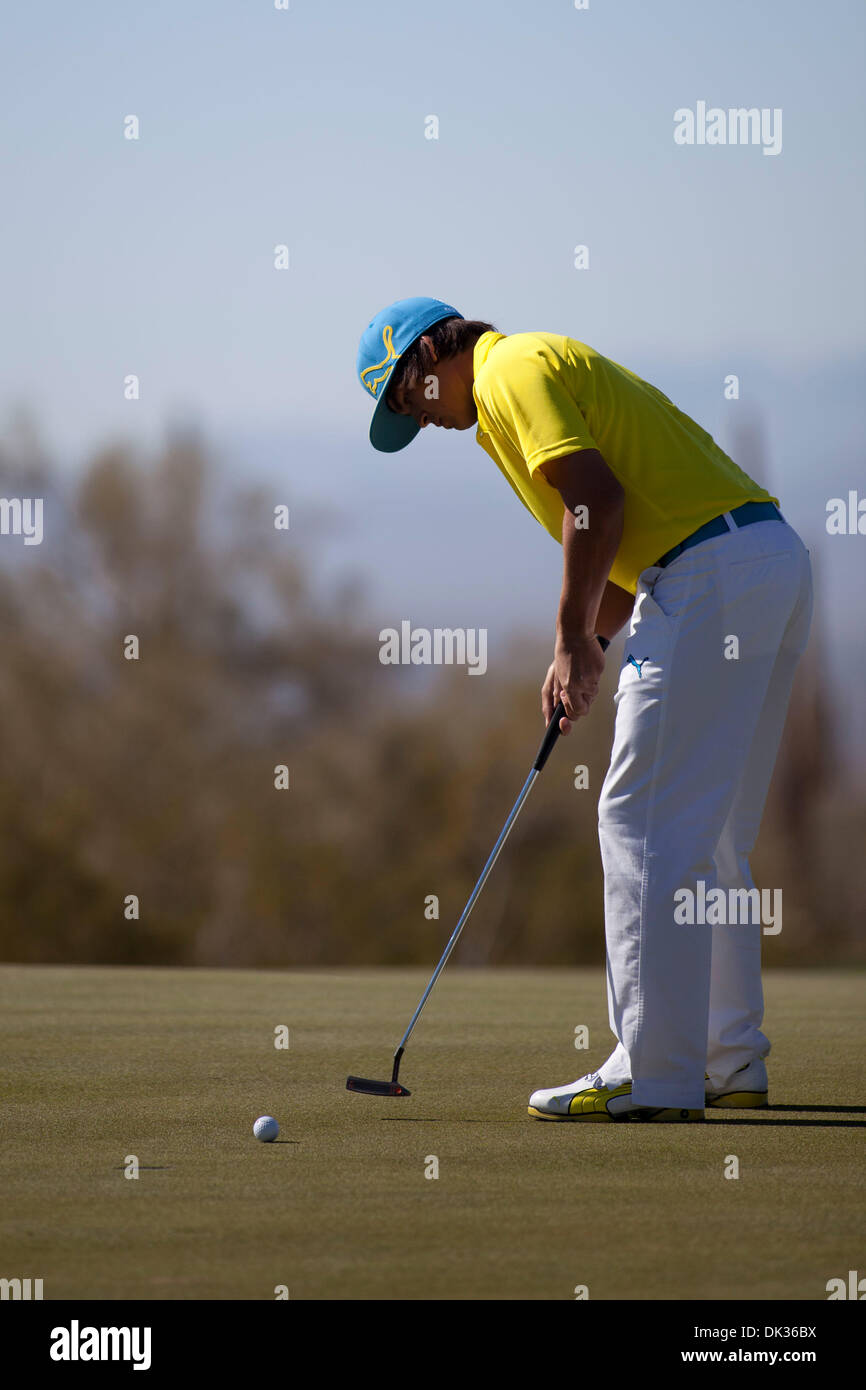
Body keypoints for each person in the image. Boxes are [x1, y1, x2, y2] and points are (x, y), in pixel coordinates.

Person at [356, 297, 813, 1123]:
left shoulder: (507, 371)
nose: (419, 420)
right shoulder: (520, 385)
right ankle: (729, 1058)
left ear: (432, 351)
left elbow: (595, 501)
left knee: (636, 820)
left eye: (407, 399)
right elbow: (619, 555)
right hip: (764, 560)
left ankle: (652, 1070)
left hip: (708, 574)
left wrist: (571, 635)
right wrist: (583, 650)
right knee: (711, 834)